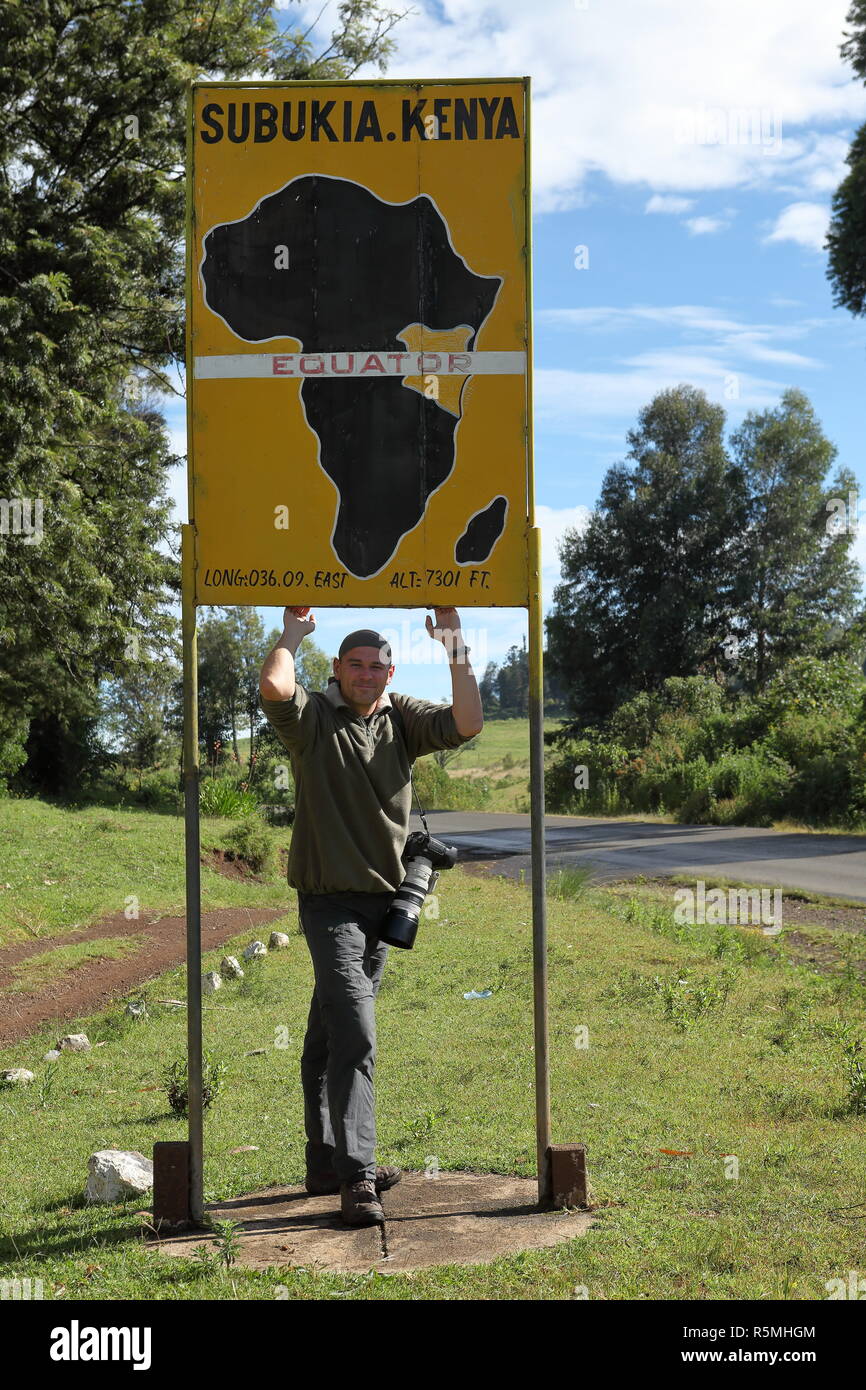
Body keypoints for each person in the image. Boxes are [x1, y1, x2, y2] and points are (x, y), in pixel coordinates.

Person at [258, 606, 483, 1226]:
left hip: (385, 901)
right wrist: (291, 633)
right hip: (328, 901)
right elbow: (275, 685)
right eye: (353, 664)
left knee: (329, 1033)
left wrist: (456, 643)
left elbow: (468, 720)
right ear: (336, 669)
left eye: (375, 666)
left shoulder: (403, 717)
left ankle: (323, 1159)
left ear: (390, 672)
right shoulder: (311, 718)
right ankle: (357, 1179)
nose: (364, 674)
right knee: (356, 1028)